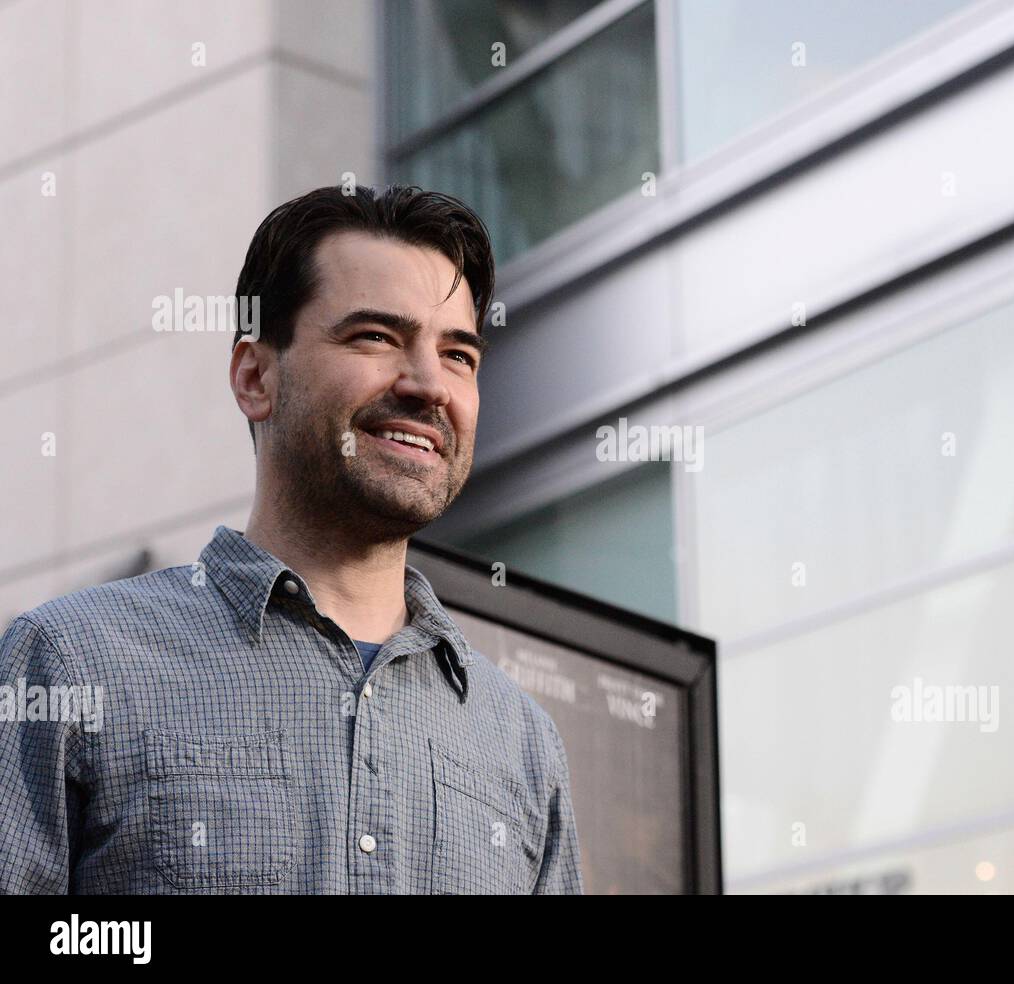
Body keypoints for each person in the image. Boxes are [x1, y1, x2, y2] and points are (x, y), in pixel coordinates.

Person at [0, 185, 583, 895]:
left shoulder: (522, 743)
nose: (431, 384)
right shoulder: (68, 665)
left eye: (459, 355)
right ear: (254, 377)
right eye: (376, 337)